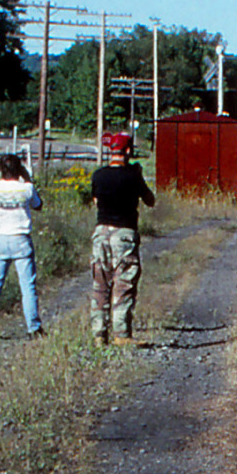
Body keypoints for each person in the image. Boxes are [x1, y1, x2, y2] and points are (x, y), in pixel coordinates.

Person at [90, 132, 155, 346]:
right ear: (127, 151)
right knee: (123, 284)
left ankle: (99, 334)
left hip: (101, 233)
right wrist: (139, 175)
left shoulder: (98, 175)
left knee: (100, 284)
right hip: (124, 235)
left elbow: (96, 200)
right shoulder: (133, 177)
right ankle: (121, 334)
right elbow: (150, 200)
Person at [0, 154, 43, 340]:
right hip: (21, 238)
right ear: (19, 169)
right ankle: (33, 327)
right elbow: (38, 205)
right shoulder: (27, 188)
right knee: (28, 286)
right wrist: (28, 178)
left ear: (1, 169)